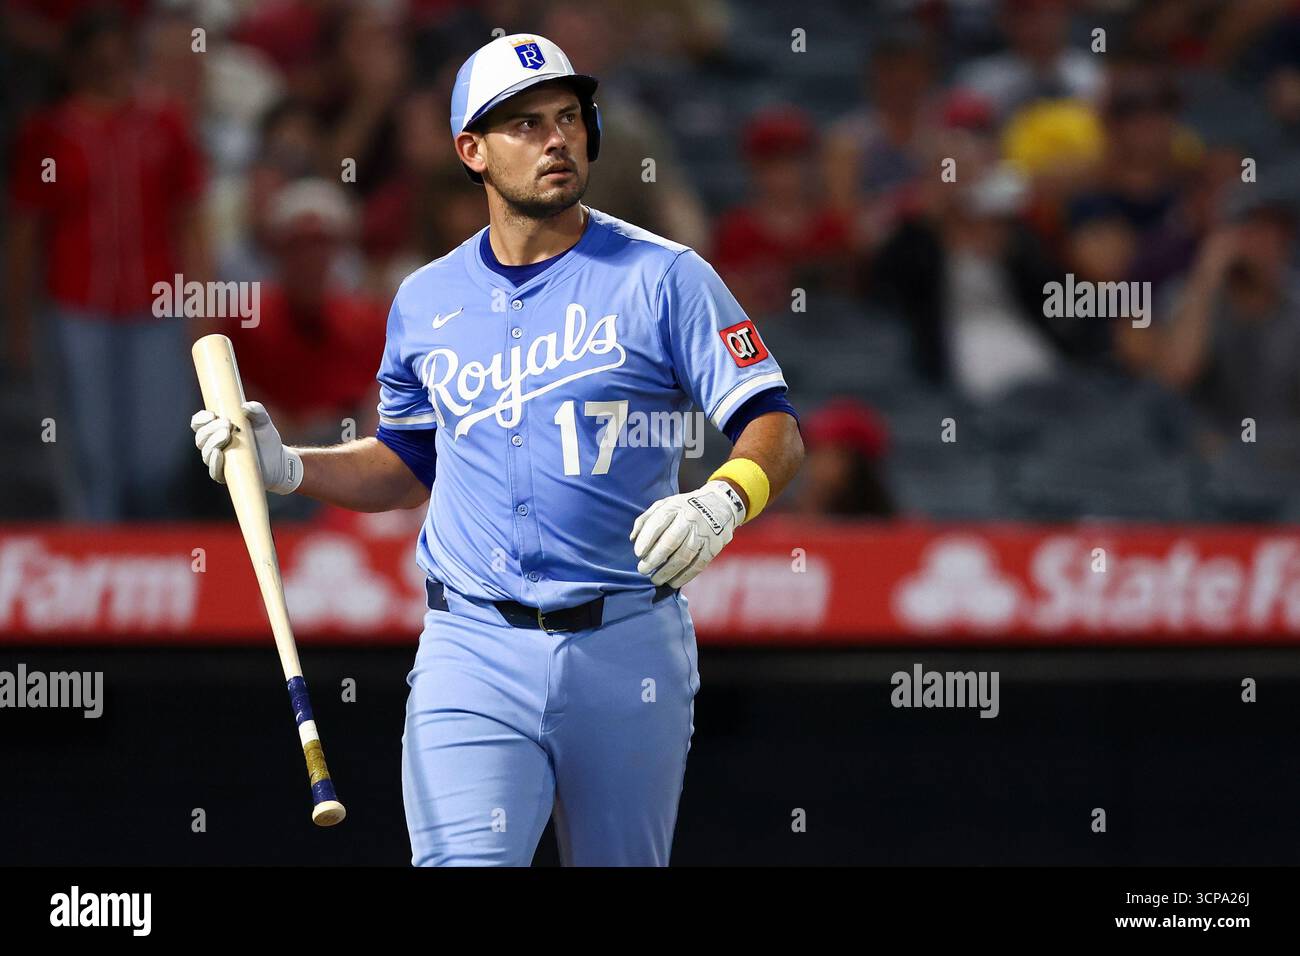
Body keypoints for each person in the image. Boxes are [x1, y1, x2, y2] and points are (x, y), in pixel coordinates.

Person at [191, 33, 804, 866]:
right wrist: (290, 466)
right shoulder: (422, 298)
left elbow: (774, 427)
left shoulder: (665, 275)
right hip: (471, 645)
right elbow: (409, 464)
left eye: (565, 118)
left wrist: (724, 498)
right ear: (470, 151)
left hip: (627, 642)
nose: (555, 139)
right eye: (522, 124)